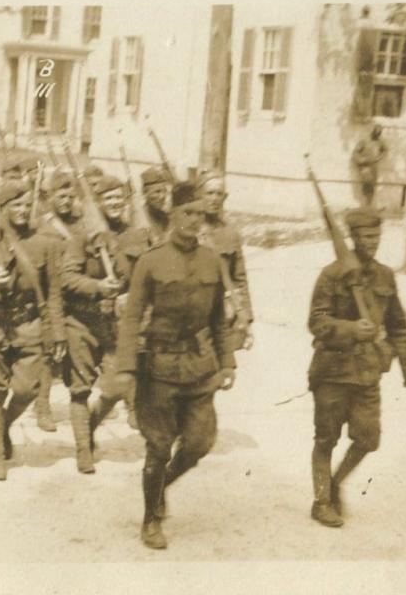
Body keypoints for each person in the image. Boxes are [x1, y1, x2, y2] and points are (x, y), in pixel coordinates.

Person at [116, 180, 237, 550]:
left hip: (200, 366)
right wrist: (126, 369)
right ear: (172, 214)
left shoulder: (212, 261)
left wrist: (227, 361)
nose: (194, 221)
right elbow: (132, 317)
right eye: (187, 213)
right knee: (158, 446)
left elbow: (219, 319)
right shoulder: (151, 261)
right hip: (160, 366)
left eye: (200, 214)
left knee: (200, 442)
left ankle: (162, 485)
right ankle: (151, 519)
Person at [307, 207, 406, 528]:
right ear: (353, 237)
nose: (372, 242)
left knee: (369, 439)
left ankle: (336, 482)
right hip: (332, 371)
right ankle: (322, 501)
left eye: (377, 236)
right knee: (325, 439)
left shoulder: (384, 276)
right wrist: (352, 330)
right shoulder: (332, 274)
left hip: (368, 372)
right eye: (366, 237)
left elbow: (397, 323)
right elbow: (316, 321)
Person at [0, 181, 67, 481]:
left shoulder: (44, 243)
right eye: (16, 206)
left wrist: (58, 333)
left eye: (27, 205)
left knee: (27, 389)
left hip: (28, 325)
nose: (23, 211)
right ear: (3, 209)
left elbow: (53, 294)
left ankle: (4, 426)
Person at [62, 175, 151, 473]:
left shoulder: (135, 236)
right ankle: (82, 449)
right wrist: (99, 286)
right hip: (83, 320)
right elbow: (68, 277)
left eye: (119, 199)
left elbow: (143, 275)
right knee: (80, 388)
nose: (114, 204)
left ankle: (89, 426)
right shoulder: (80, 237)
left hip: (116, 323)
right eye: (108, 199)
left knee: (118, 385)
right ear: (98, 203)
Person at [32, 170, 88, 432]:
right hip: (49, 295)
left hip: (74, 294)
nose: (66, 201)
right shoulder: (41, 224)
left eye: (70, 196)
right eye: (61, 196)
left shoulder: (80, 224)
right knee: (49, 353)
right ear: (50, 196)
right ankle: (42, 405)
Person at [195, 172, 254, 352]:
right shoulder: (188, 229)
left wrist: (246, 318)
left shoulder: (230, 233)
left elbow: (240, 278)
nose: (214, 199)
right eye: (209, 193)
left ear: (225, 197)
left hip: (223, 316)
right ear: (199, 194)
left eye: (219, 194)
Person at [351, 124, 386, 207]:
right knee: (367, 184)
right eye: (376, 132)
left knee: (372, 186)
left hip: (373, 167)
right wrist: (361, 160)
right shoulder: (364, 141)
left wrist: (379, 158)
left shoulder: (379, 142)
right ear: (373, 132)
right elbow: (355, 153)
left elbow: (384, 150)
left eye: (379, 133)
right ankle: (364, 205)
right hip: (365, 166)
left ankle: (368, 206)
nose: (377, 135)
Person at [140, 166, 171, 245]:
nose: (162, 196)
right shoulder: (141, 219)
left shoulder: (166, 217)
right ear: (145, 193)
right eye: (157, 192)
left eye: (165, 191)